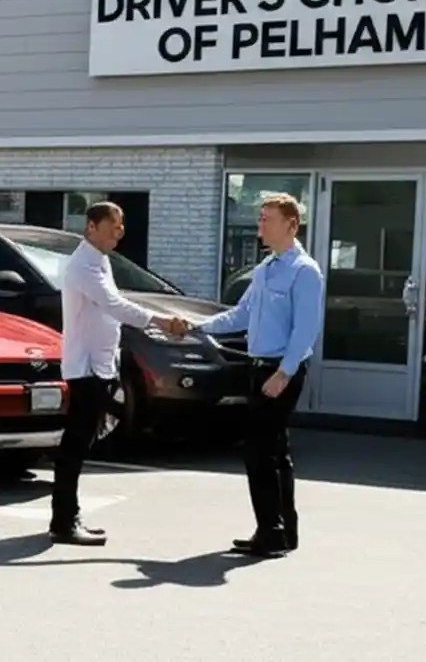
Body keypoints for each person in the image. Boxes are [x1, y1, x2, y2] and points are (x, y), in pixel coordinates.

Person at [190, 193, 325, 558]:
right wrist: (197, 327)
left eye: (268, 218)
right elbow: (240, 314)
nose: (260, 225)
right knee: (275, 451)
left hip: (281, 370)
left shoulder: (304, 270)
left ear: (291, 225)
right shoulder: (266, 269)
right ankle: (282, 531)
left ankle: (271, 531)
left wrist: (284, 372)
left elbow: (305, 329)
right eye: (260, 217)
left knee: (259, 451)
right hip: (259, 367)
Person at [51, 201, 186, 546]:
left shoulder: (101, 261)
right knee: (75, 444)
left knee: (81, 441)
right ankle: (64, 521)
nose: (120, 232)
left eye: (122, 226)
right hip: (84, 369)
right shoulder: (83, 266)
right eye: (114, 226)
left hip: (100, 365)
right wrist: (161, 321)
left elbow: (110, 309)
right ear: (91, 227)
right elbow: (115, 305)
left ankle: (68, 515)